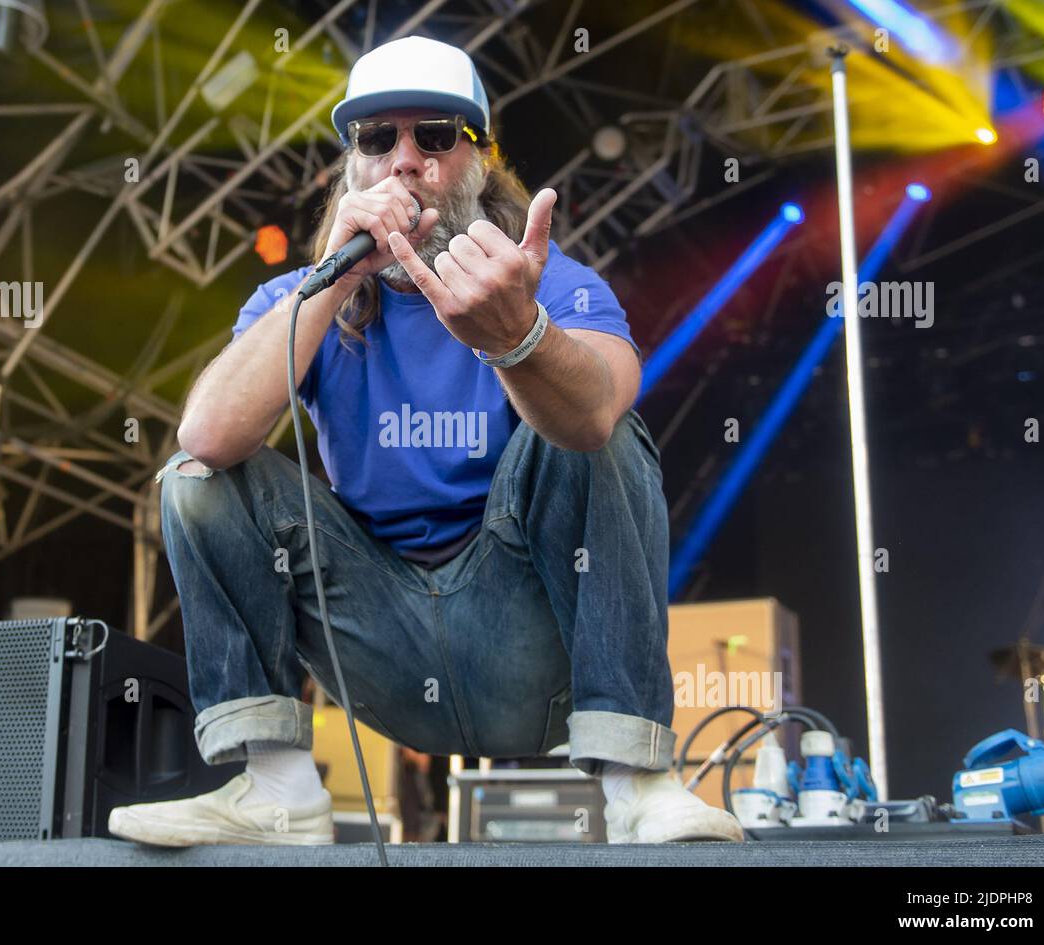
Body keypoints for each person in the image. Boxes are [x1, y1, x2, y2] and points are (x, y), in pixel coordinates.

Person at [108, 35, 744, 846]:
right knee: (197, 475)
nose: (405, 160)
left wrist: (520, 340)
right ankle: (273, 788)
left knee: (604, 437)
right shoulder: (295, 299)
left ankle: (640, 784)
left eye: (434, 136)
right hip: (379, 641)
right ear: (352, 168)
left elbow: (596, 417)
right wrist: (338, 272)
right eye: (377, 139)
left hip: (530, 642)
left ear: (475, 160)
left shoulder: (554, 284)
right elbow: (205, 433)